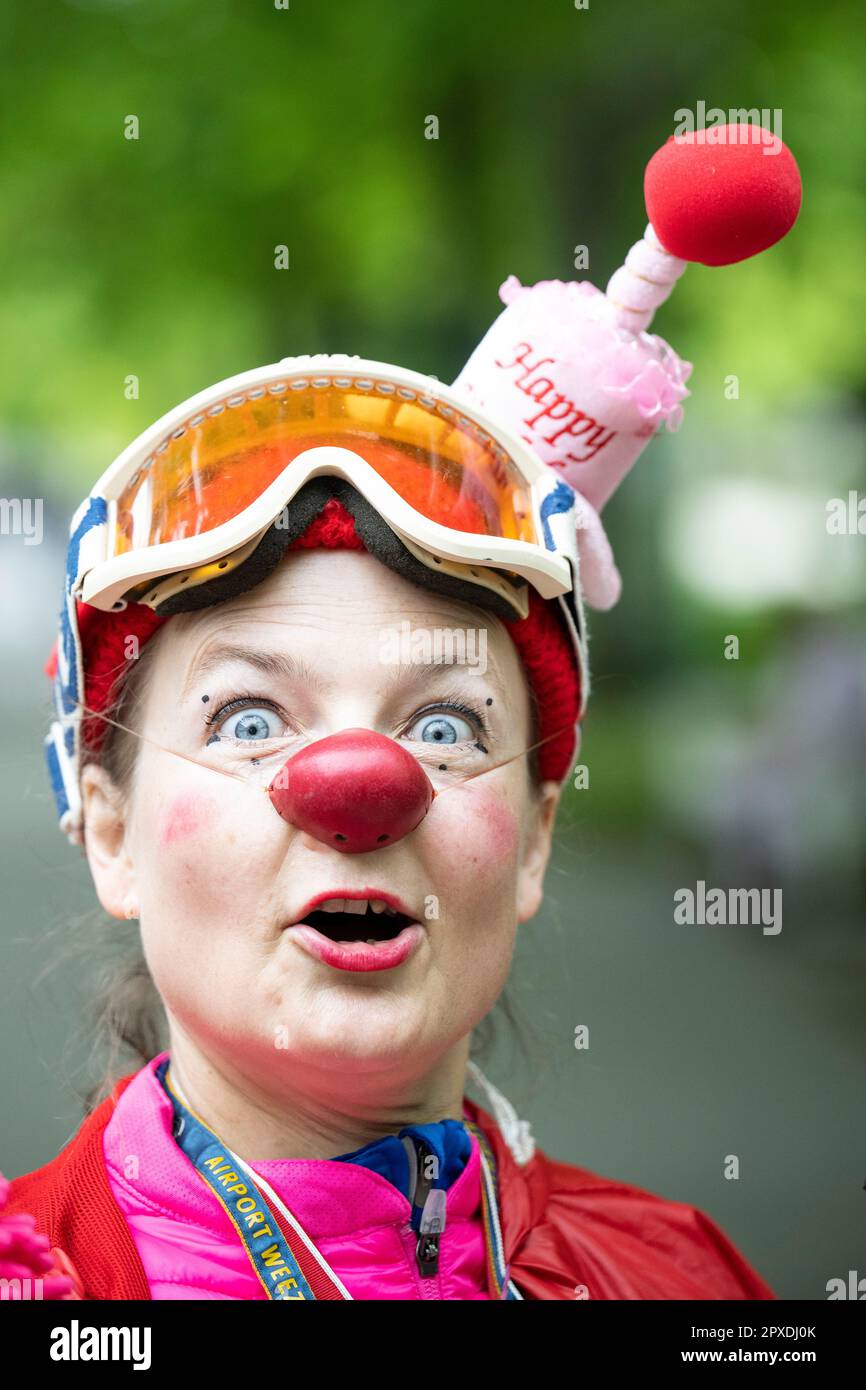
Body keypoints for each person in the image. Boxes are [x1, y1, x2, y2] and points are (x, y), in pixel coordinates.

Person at [1, 127, 801, 1301]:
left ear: (531, 835)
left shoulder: (685, 1285)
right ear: (110, 826)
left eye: (443, 728)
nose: (359, 786)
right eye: (245, 719)